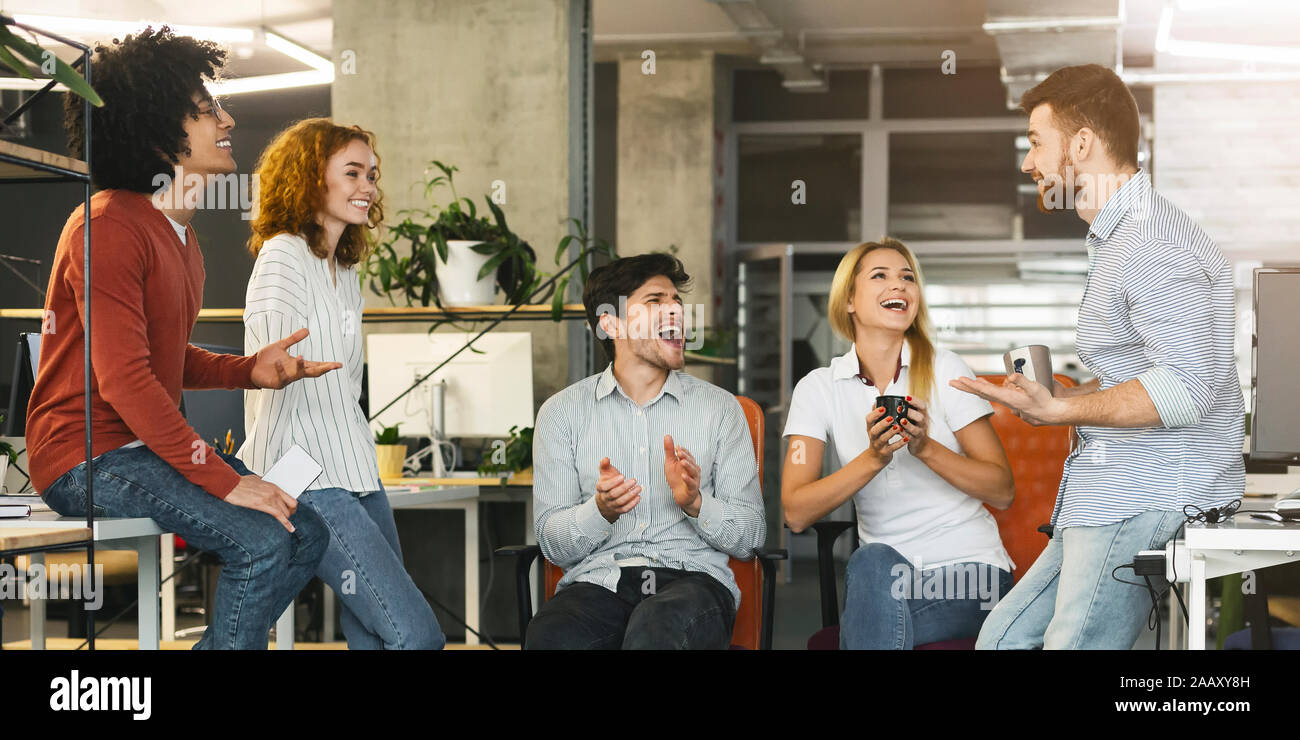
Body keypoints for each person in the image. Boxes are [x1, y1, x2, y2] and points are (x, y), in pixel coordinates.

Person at [28, 27, 331, 649]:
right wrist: (223, 479)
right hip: (85, 457)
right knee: (264, 540)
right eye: (206, 111)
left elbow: (159, 357)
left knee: (308, 534)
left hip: (138, 448)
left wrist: (249, 370)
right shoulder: (108, 225)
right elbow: (124, 379)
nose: (227, 117)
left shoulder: (181, 237)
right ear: (159, 133)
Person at [952, 64, 1245, 650]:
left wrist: (1062, 413)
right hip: (1108, 495)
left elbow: (1187, 388)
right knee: (1002, 642)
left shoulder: (1150, 240)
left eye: (1036, 142)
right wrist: (1060, 400)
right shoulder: (1119, 237)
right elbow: (1144, 373)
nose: (1027, 162)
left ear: (1082, 143)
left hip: (1146, 493)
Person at [239, 118, 444, 649]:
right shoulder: (283, 255)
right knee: (416, 635)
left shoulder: (344, 270)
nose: (367, 187)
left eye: (372, 175)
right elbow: (267, 370)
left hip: (355, 463)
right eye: (352, 173)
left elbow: (346, 389)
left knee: (371, 632)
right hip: (301, 468)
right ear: (311, 178)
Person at [782, 238, 1015, 649]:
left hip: (974, 576)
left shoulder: (946, 369)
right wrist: (873, 459)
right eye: (880, 276)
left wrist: (925, 449)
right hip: (887, 577)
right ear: (849, 300)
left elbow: (1002, 489)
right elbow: (796, 512)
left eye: (908, 277)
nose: (900, 285)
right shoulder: (817, 389)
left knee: (867, 626)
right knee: (872, 562)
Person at [525, 253, 766, 649]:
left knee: (657, 628)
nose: (674, 310)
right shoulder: (561, 414)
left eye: (677, 302)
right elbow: (553, 545)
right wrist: (599, 511)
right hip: (598, 583)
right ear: (610, 322)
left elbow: (751, 535)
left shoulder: (721, 409)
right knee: (551, 635)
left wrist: (696, 503)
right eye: (655, 300)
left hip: (693, 584)